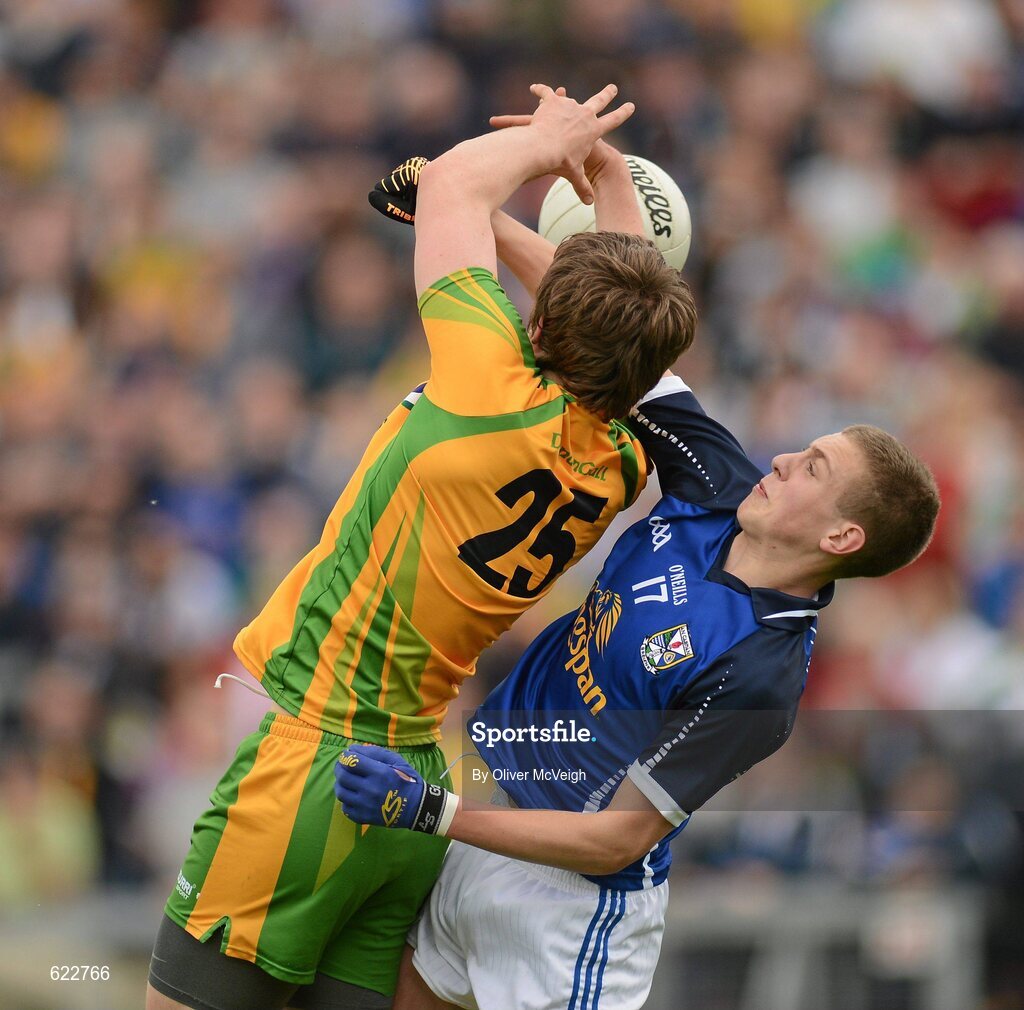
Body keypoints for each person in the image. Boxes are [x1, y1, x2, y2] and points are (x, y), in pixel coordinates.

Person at [334, 146, 942, 1010]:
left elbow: (617, 838)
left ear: (844, 534)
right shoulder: (724, 488)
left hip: (568, 913)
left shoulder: (760, 674)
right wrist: (468, 212)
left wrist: (430, 813)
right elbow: (618, 334)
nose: (781, 460)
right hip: (481, 818)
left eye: (812, 468)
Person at [146, 85, 699, 1010]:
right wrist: (602, 171)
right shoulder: (626, 457)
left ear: (543, 320)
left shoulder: (488, 383)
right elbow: (619, 311)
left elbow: (447, 184)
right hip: (409, 786)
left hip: (310, 769)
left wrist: (552, 140)